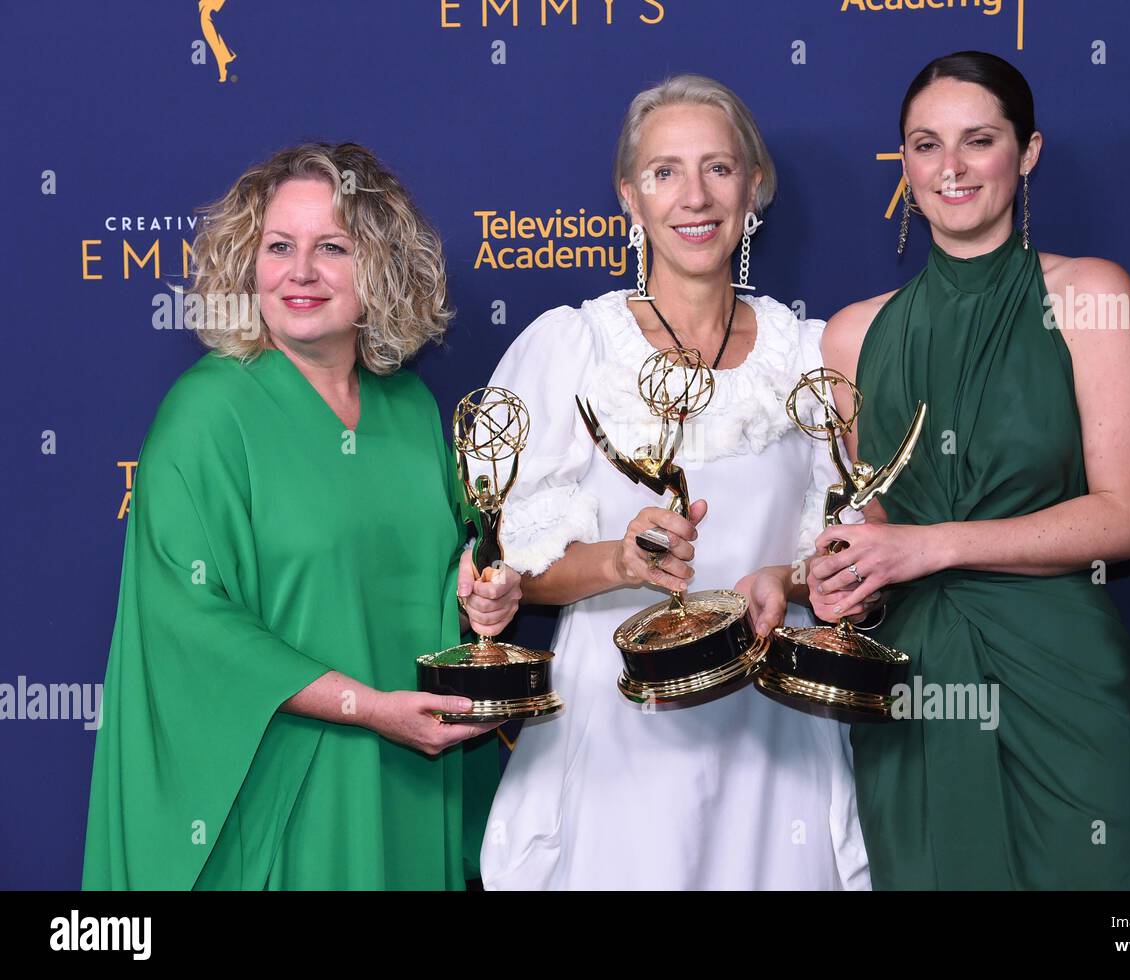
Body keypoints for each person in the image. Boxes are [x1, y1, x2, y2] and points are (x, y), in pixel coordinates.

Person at [83, 142, 521, 890]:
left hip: (405, 775)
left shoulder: (410, 410)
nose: (301, 272)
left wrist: (481, 593)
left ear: (379, 264)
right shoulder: (208, 412)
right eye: (279, 247)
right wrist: (368, 707)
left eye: (332, 248)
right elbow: (186, 619)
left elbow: (439, 568)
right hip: (276, 780)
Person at [477, 75, 870, 890]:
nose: (694, 197)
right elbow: (512, 567)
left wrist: (794, 581)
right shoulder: (572, 349)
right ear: (630, 195)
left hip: (774, 745)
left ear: (754, 187)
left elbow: (852, 559)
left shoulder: (812, 355)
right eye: (664, 172)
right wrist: (620, 563)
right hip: (618, 732)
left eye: (718, 169)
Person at [812, 52, 1130, 889]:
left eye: (980, 140)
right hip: (916, 689)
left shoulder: (1093, 295)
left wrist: (929, 547)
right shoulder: (851, 338)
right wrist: (831, 578)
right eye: (927, 145)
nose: (952, 167)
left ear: (1028, 151)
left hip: (1065, 683)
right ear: (905, 163)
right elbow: (876, 536)